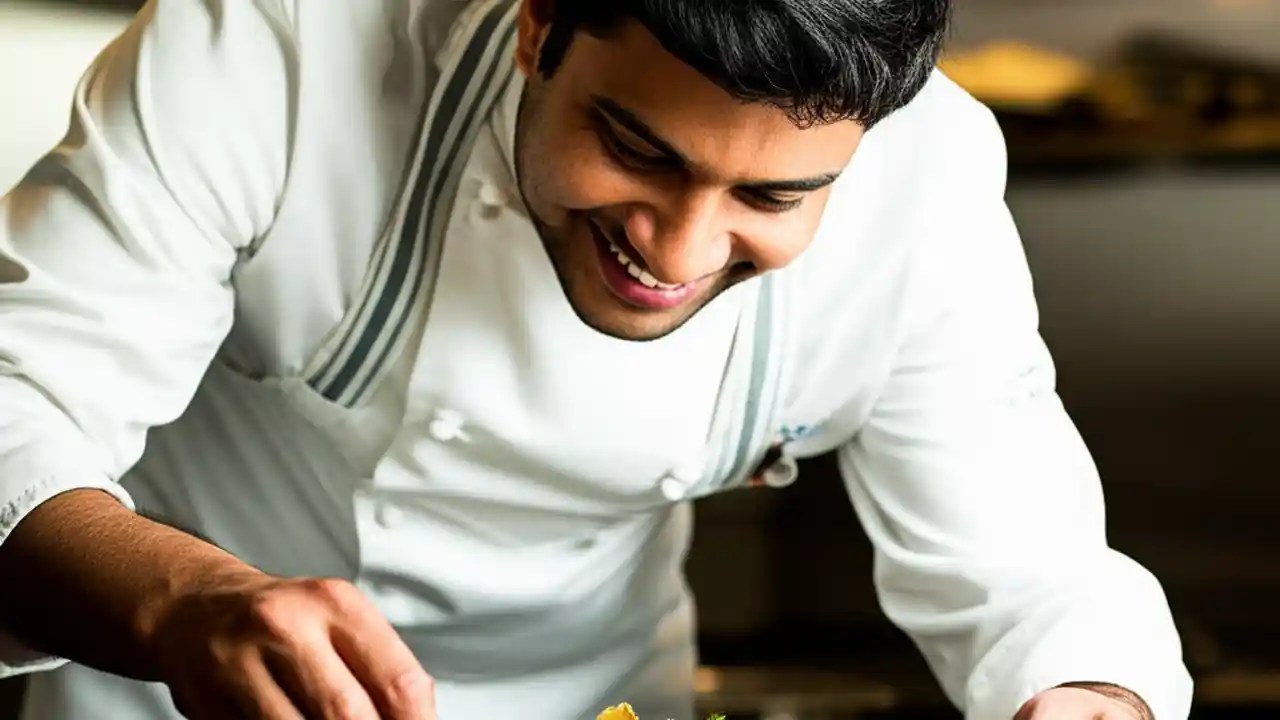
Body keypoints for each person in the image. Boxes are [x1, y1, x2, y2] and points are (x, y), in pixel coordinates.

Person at [0, 0, 1192, 718]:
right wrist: (188, 605)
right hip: (178, 691)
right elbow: (18, 410)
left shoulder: (924, 185)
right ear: (538, 24)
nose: (675, 248)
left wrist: (1081, 691)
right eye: (636, 148)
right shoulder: (281, 42)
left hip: (600, 697)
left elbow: (1024, 560)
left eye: (771, 195)